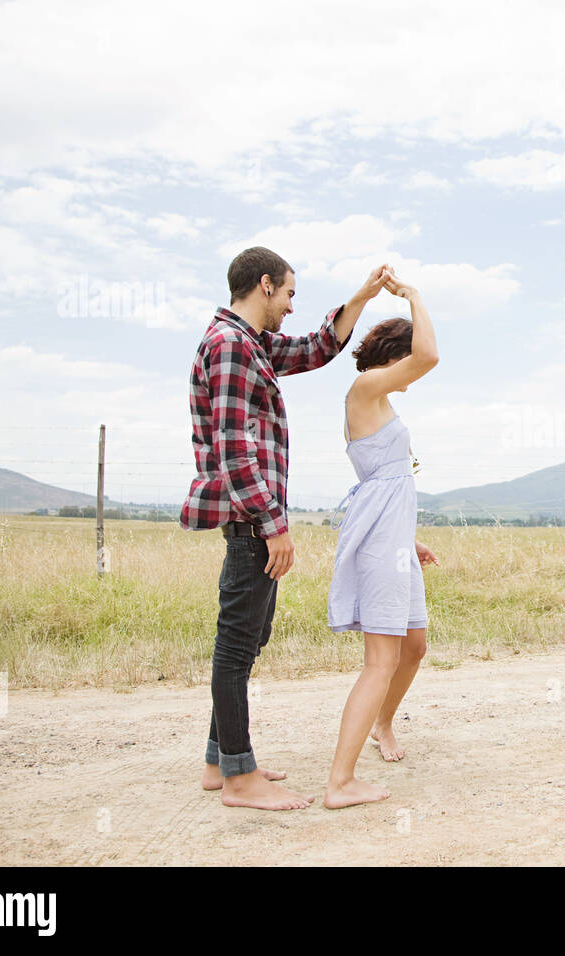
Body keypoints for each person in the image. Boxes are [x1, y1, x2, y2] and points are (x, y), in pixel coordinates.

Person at [181, 245, 392, 811]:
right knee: (235, 649)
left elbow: (315, 350)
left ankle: (218, 761)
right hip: (254, 521)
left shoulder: (249, 343)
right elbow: (234, 450)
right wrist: (275, 525)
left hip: (256, 519)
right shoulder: (228, 346)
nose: (294, 307)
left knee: (248, 641)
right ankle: (238, 780)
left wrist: (363, 296)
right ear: (266, 284)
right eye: (292, 294)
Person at [324, 266, 440, 809]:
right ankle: (340, 782)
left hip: (392, 540)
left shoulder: (381, 400)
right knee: (380, 660)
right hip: (377, 543)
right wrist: (412, 295)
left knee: (412, 647)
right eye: (406, 361)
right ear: (394, 356)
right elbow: (430, 356)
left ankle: (382, 724)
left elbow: (386, 485)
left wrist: (408, 541)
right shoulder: (366, 388)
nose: (413, 375)